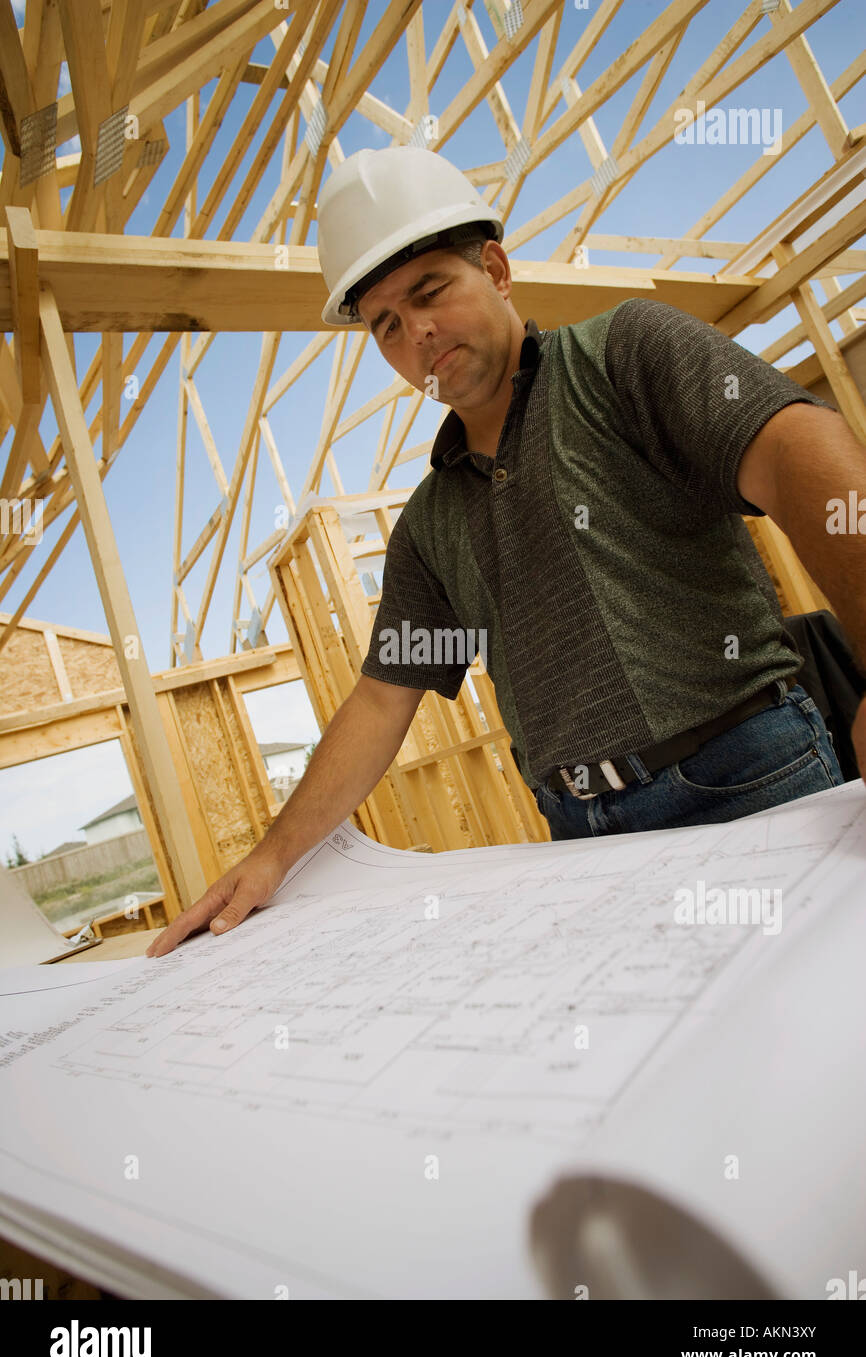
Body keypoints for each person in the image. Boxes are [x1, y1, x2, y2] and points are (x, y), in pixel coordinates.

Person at [147, 146, 866, 958]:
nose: (415, 331)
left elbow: (800, 451)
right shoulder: (429, 522)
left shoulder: (625, 356)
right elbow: (385, 700)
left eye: (430, 291)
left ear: (494, 267)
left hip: (747, 781)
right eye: (386, 324)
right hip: (578, 835)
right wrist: (271, 858)